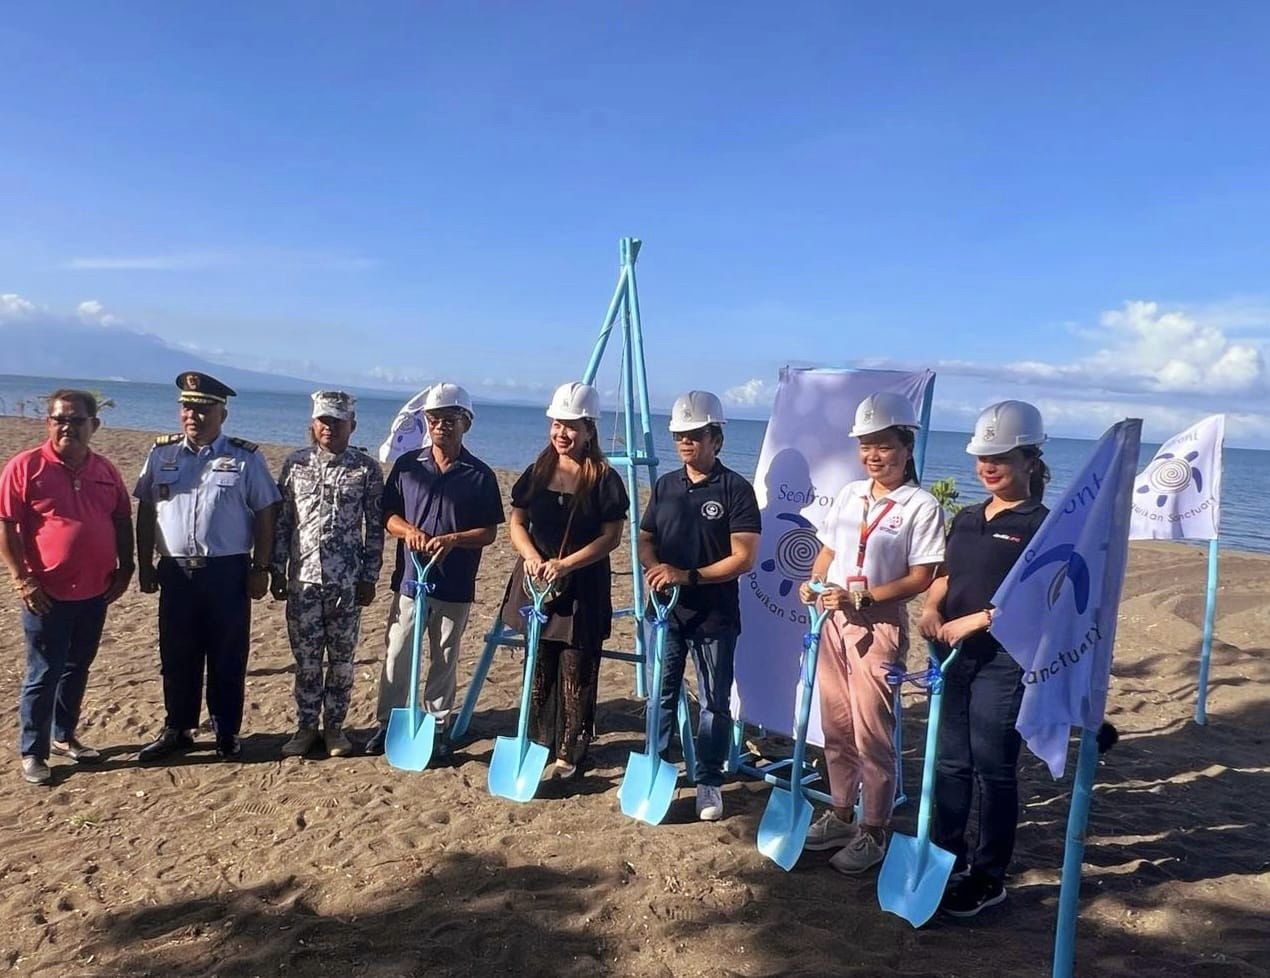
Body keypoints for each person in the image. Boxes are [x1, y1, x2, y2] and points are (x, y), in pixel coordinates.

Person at [798, 390, 945, 874]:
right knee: (835, 724)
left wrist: (862, 598)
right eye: (866, 446)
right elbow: (827, 550)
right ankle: (842, 812)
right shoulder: (849, 494)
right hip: (833, 618)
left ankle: (874, 827)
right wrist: (814, 584)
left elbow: (921, 576)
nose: (874, 456)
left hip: (877, 623)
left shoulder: (920, 505)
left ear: (906, 448)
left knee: (871, 731)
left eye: (884, 445)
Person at [918, 400, 1050, 917]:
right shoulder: (968, 518)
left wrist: (973, 621)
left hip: (1003, 660)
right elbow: (947, 576)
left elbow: (1033, 598)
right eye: (983, 457)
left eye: (1001, 457)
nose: (988, 467)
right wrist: (931, 607)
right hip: (953, 656)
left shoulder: (1040, 524)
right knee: (951, 763)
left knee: (994, 769)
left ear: (1029, 461)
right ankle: (945, 858)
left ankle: (989, 875)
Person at [134, 372, 281, 761]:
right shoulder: (160, 454)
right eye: (187, 407)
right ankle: (177, 727)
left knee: (227, 655)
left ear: (222, 413)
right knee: (176, 654)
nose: (193, 416)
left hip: (227, 571)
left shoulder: (244, 457)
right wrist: (145, 563)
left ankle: (226, 732)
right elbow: (146, 510)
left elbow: (267, 510)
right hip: (176, 571)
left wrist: (261, 566)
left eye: (203, 409)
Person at [638, 390, 761, 820]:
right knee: (660, 696)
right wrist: (655, 569)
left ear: (716, 439)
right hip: (666, 612)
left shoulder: (736, 490)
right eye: (679, 436)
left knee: (713, 702)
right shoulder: (665, 485)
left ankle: (708, 780)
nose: (686, 443)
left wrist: (686, 576)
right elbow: (646, 538)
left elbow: (743, 557)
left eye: (695, 435)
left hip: (714, 615)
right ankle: (655, 766)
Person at [0, 390, 134, 785]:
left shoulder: (106, 470)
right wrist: (22, 578)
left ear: (94, 425)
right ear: (49, 423)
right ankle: (33, 751)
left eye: (77, 420)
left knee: (77, 668)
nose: (67, 427)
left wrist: (125, 569)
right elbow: (6, 525)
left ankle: (64, 736)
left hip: (95, 591)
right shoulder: (26, 467)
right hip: (46, 593)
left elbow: (122, 520)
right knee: (44, 671)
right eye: (60, 419)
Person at [365, 383, 503, 757]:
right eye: (434, 419)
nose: (441, 426)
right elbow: (388, 516)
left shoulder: (481, 475)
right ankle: (388, 723)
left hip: (455, 583)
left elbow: (489, 531)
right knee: (398, 651)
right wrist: (408, 531)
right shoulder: (408, 466)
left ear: (466, 424)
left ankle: (437, 725)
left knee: (444, 656)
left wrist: (453, 539)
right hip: (411, 580)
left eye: (450, 420)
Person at [504, 382, 628, 779]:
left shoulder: (604, 478)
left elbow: (611, 536)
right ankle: (540, 743)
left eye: (572, 426)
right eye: (558, 424)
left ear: (589, 430)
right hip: (537, 581)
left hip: (583, 585)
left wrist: (567, 564)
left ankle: (570, 753)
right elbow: (518, 521)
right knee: (539, 665)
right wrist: (532, 557)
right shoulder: (537, 471)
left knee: (577, 666)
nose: (563, 433)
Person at [272, 391, 385, 759]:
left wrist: (369, 576)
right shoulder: (294, 464)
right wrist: (276, 568)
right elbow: (284, 521)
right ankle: (306, 728)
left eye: (337, 421)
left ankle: (335, 729)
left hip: (346, 584)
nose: (329, 428)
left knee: (341, 663)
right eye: (323, 420)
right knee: (305, 661)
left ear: (352, 425)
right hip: (303, 581)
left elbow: (376, 527)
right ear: (312, 424)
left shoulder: (365, 469)